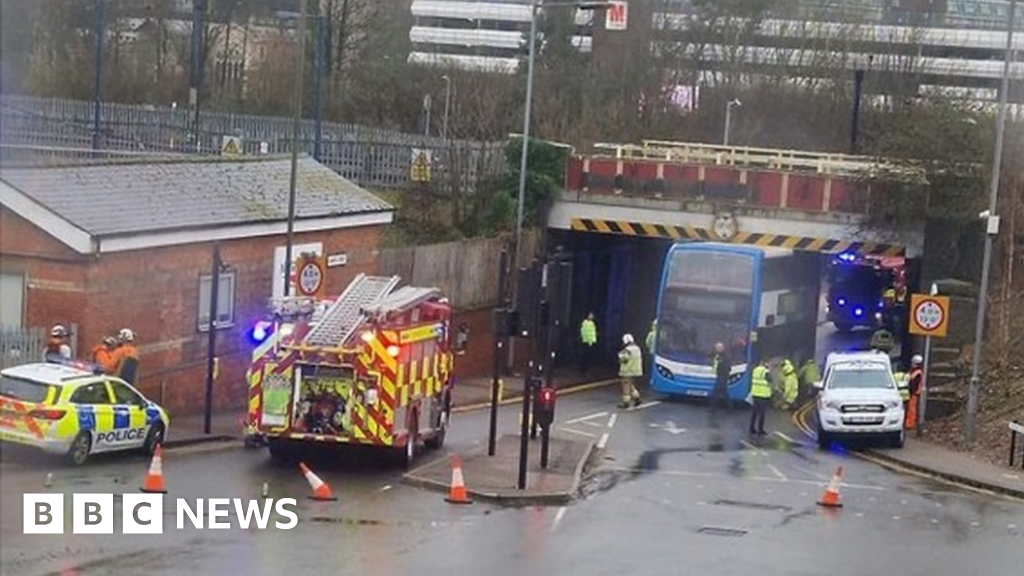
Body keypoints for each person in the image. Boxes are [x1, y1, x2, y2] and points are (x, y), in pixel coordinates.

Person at [749, 358, 773, 436]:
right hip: (763, 395)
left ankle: (751, 428)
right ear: (765, 363)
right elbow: (770, 380)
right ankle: (760, 430)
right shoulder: (765, 371)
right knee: (762, 413)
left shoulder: (755, 370)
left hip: (755, 393)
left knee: (754, 412)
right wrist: (769, 370)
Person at [617, 334, 642, 409]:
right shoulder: (637, 348)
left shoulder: (627, 350)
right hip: (636, 370)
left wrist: (620, 355)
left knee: (626, 386)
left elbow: (623, 360)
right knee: (631, 385)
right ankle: (637, 399)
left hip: (627, 371)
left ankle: (626, 402)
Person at [710, 342, 731, 415]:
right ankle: (729, 408)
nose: (717, 349)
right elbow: (710, 356)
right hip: (719, 376)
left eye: (718, 348)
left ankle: (713, 409)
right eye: (716, 348)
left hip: (723, 376)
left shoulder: (725, 356)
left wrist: (724, 375)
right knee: (724, 393)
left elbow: (727, 367)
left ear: (722, 348)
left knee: (715, 392)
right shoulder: (717, 355)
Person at [905, 354, 924, 430]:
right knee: (910, 409)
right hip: (912, 393)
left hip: (913, 393)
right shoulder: (914, 371)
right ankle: (909, 422)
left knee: (911, 409)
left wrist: (910, 391)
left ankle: (910, 424)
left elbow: (914, 384)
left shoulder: (917, 373)